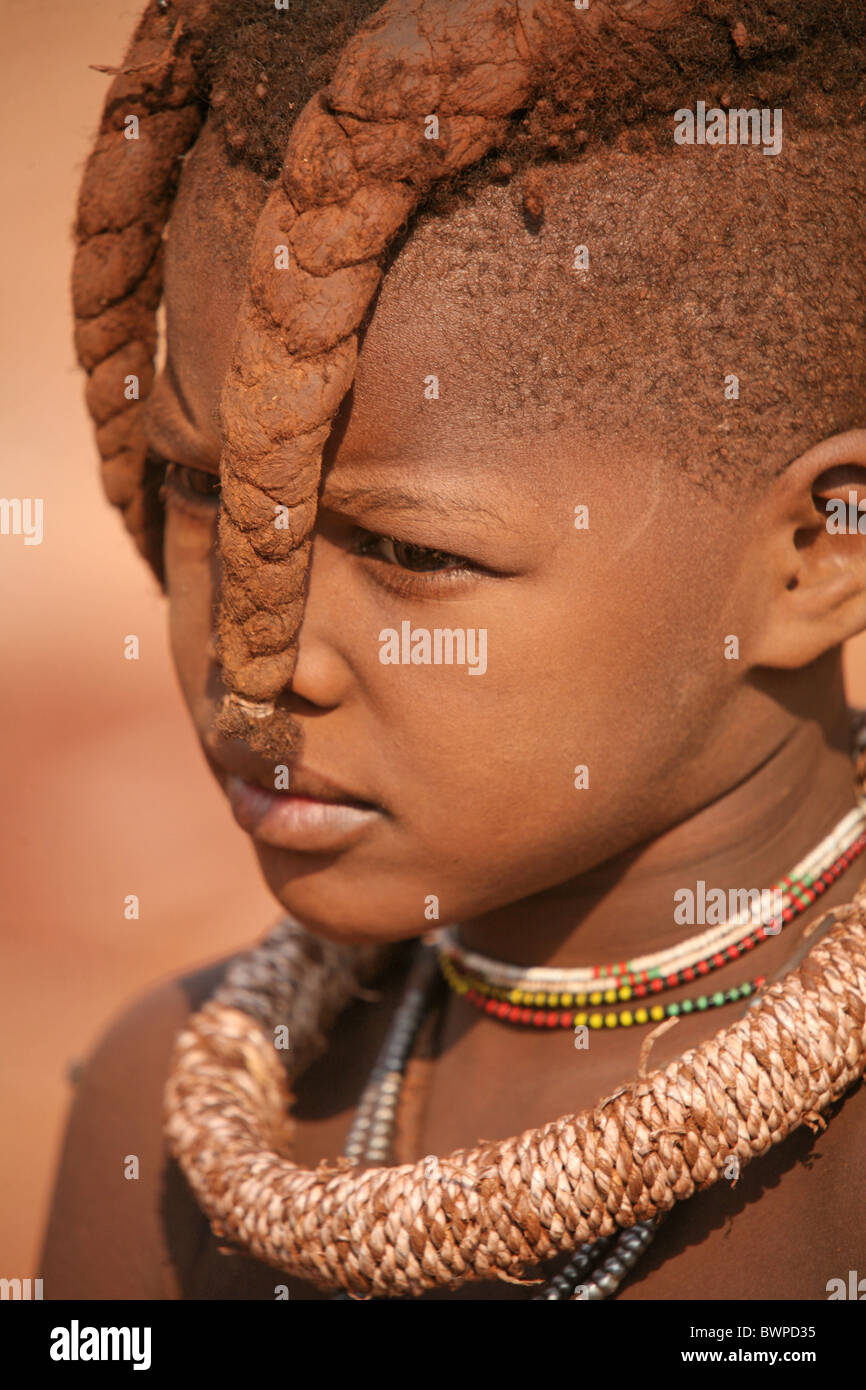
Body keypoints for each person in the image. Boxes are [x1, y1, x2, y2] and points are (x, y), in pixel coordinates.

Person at [43, 0, 866, 1299]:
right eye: (201, 489)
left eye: (411, 554)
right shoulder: (160, 1116)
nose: (264, 658)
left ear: (822, 553)